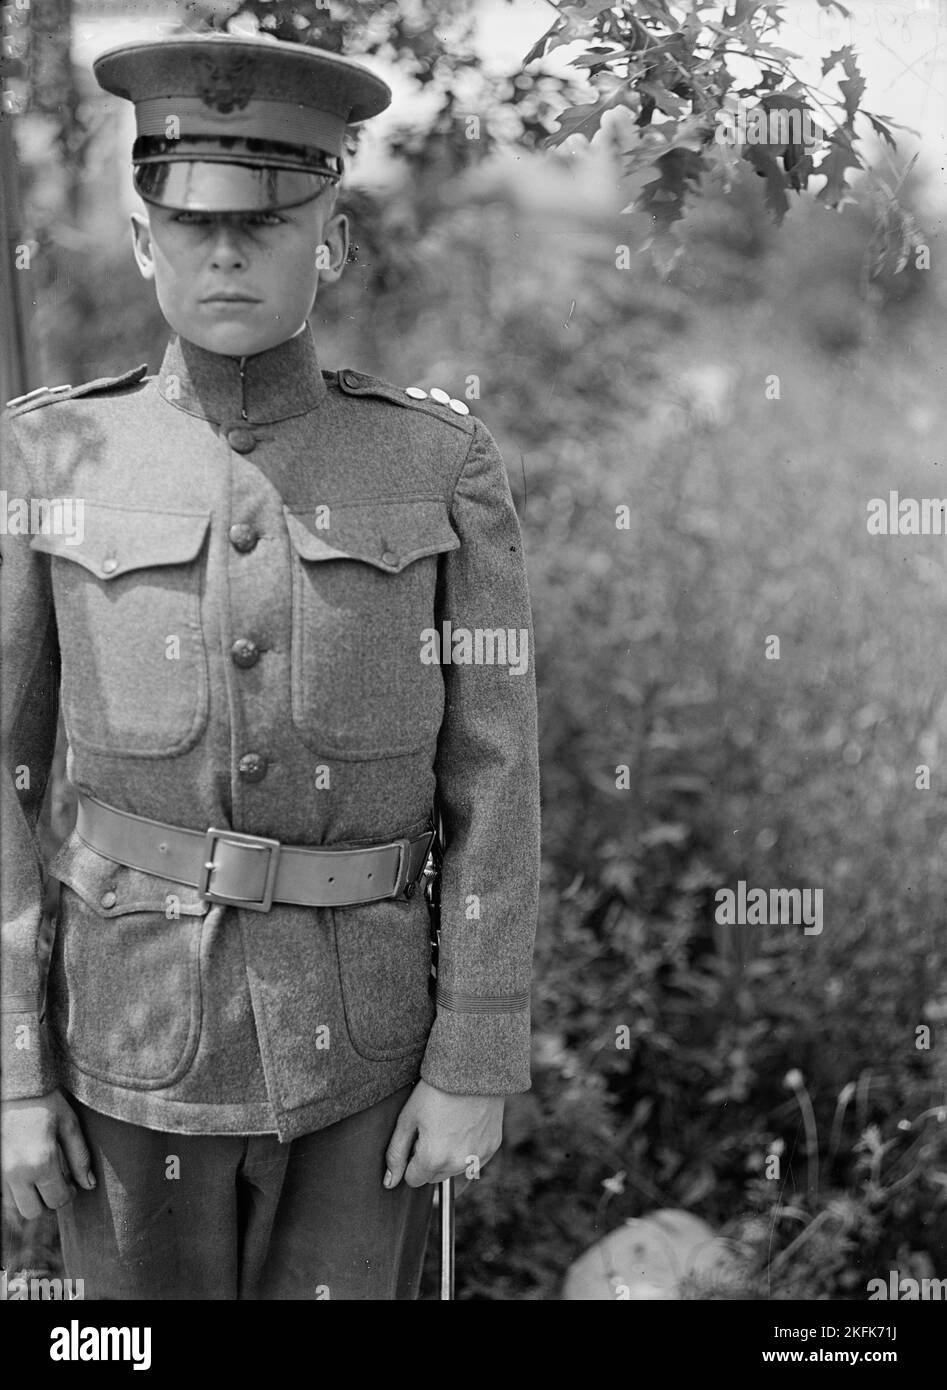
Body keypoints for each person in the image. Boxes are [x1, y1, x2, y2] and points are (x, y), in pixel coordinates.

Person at [0, 30, 540, 1301]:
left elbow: (495, 779)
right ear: (145, 241)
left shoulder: (433, 467)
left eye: (269, 220)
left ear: (331, 239)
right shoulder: (52, 462)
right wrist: (12, 1070)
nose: (227, 249)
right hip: (126, 1053)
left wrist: (474, 1057)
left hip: (365, 1068)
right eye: (188, 224)